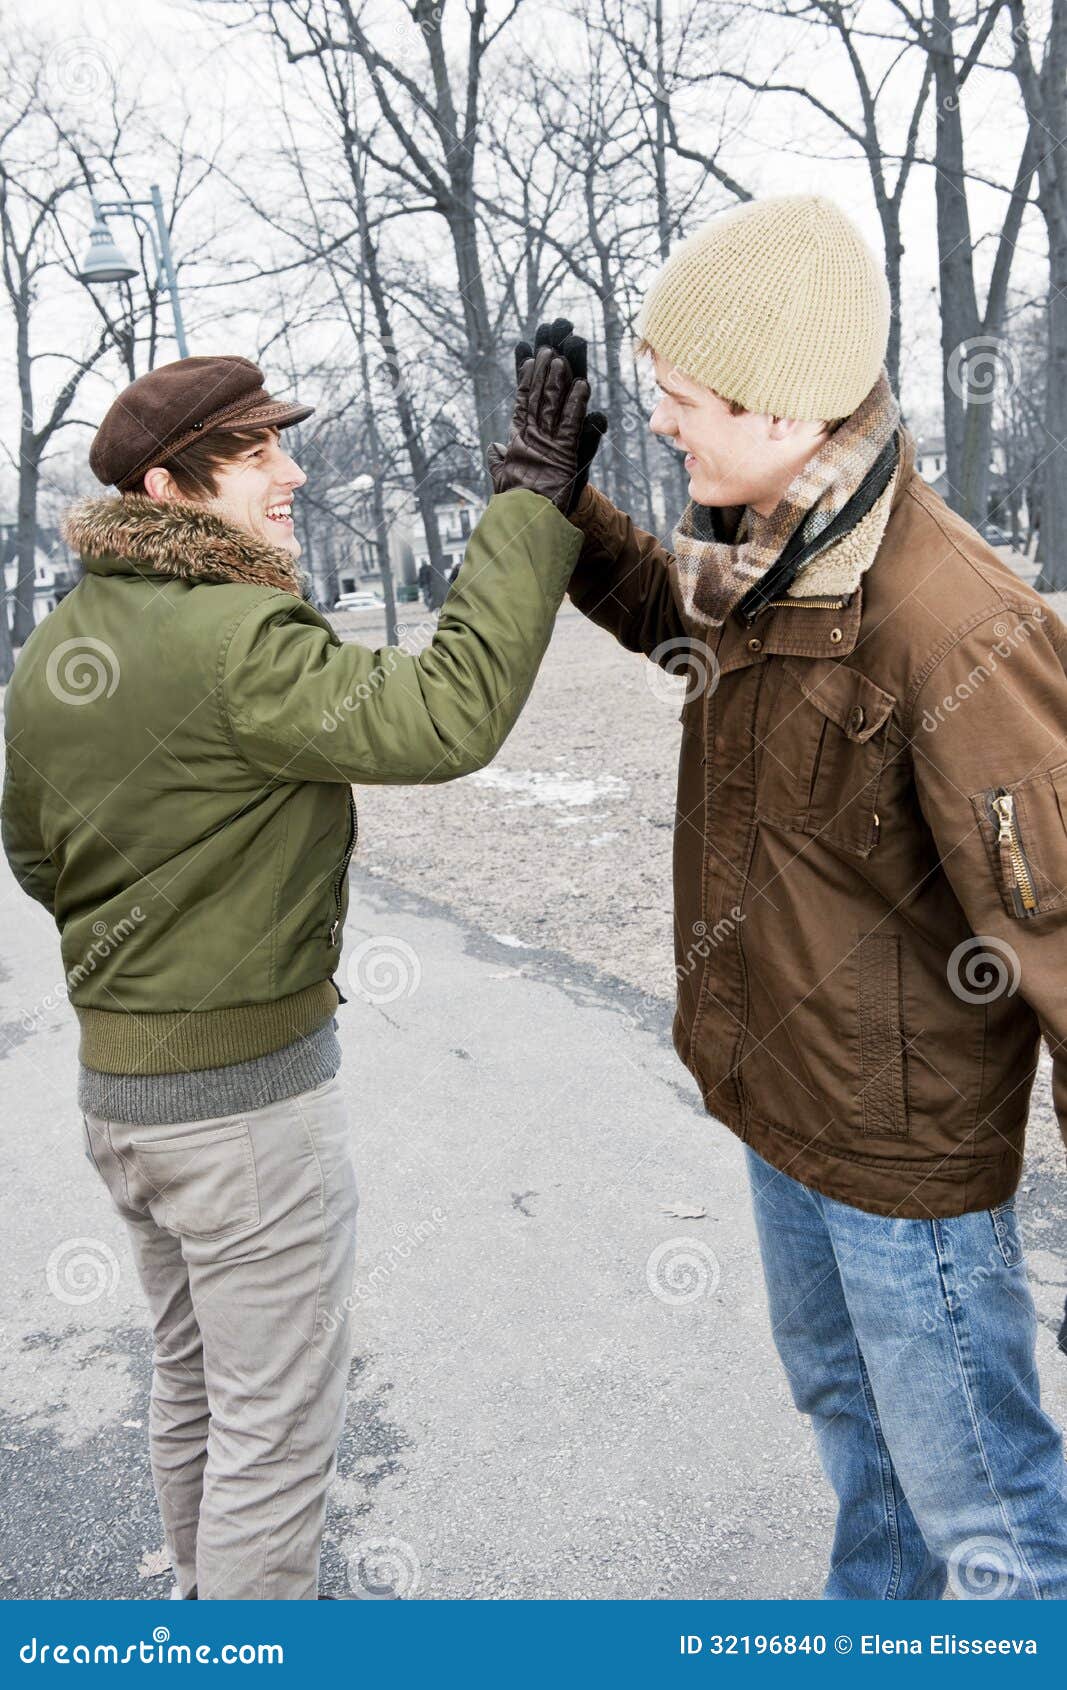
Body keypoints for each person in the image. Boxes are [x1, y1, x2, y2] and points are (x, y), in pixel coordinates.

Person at [491, 197, 1067, 1600]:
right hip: (783, 1106)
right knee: (851, 1428)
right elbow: (664, 612)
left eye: (682, 402)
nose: (665, 424)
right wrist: (562, 509)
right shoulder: (776, 548)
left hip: (901, 1165)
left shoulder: (952, 624)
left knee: (985, 1510)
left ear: (781, 407)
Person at [1, 348, 592, 1600]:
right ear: (170, 485)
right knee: (273, 1431)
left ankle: (203, 1606)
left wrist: (150, 948)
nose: (293, 470)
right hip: (242, 1113)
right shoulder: (236, 633)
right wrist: (529, 505)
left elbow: (35, 854)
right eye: (258, 452)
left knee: (196, 1382)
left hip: (123, 1100)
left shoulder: (57, 648)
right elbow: (444, 717)